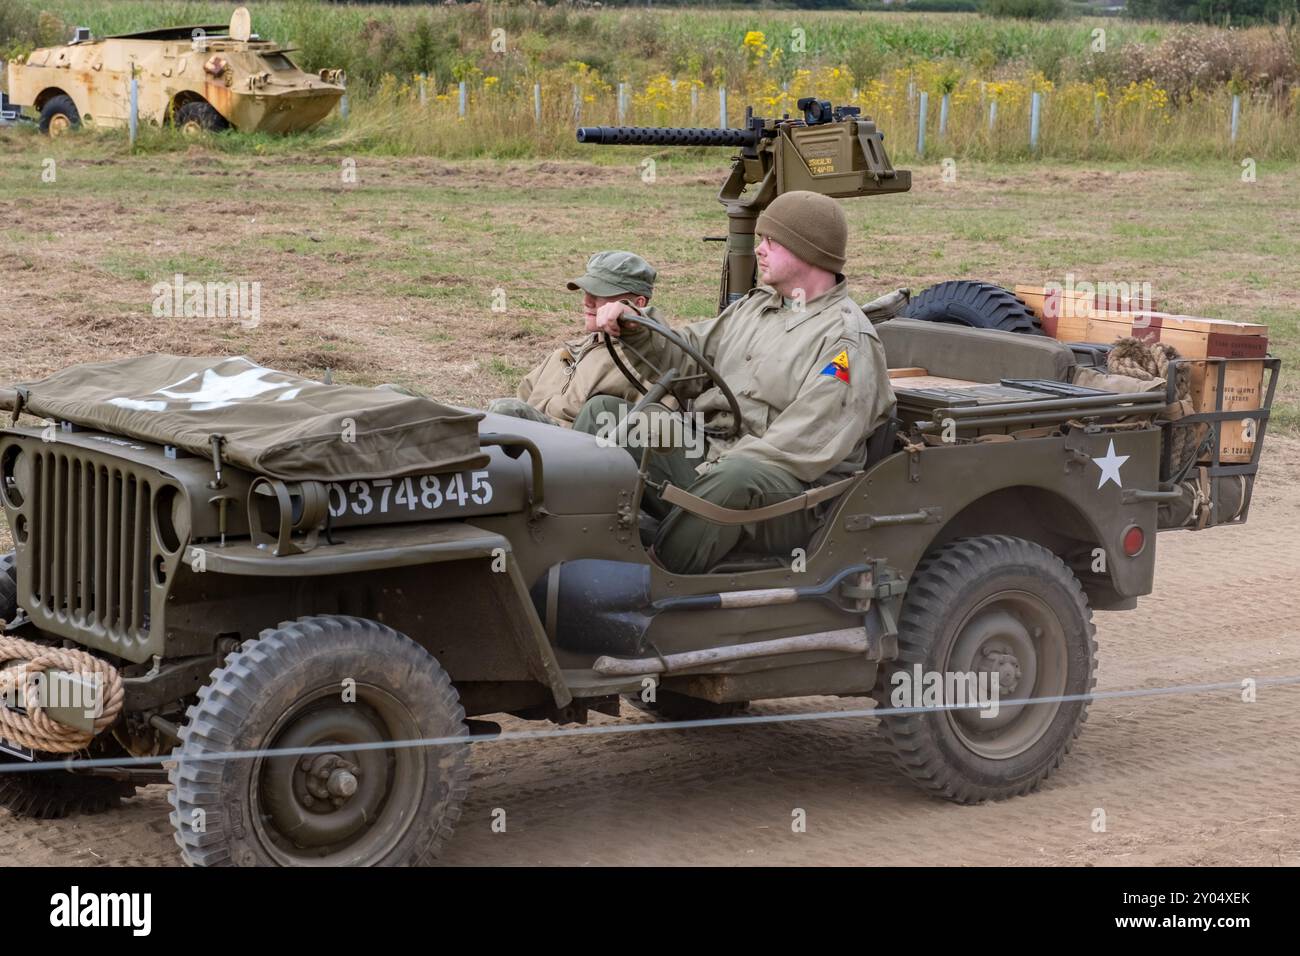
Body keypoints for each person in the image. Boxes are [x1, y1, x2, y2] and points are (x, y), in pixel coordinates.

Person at [574, 190, 895, 575]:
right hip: (720, 457)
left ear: (808, 250)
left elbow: (807, 441)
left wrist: (716, 467)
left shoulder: (845, 340)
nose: (759, 250)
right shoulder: (757, 306)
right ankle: (581, 542)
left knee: (735, 478)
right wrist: (637, 328)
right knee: (605, 415)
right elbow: (690, 355)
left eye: (770, 241)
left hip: (792, 496)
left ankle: (657, 579)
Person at [487, 251, 673, 427]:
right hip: (525, 452)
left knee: (505, 411)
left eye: (601, 293)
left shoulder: (648, 363)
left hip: (573, 455)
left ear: (638, 304)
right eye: (586, 291)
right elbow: (521, 400)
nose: (587, 301)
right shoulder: (565, 353)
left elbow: (652, 436)